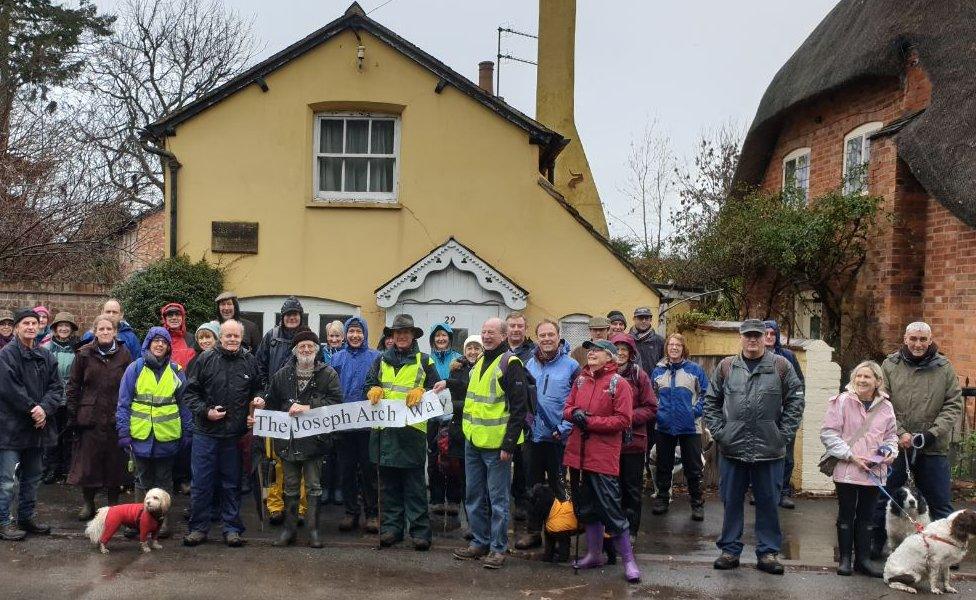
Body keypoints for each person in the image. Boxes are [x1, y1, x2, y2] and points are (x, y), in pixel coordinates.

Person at [703, 319, 804, 575]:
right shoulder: (727, 366)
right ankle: (729, 550)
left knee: (769, 501)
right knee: (731, 499)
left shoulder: (780, 366)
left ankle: (768, 552)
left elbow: (795, 400)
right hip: (732, 446)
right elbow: (711, 401)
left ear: (765, 338)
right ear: (741, 337)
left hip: (770, 449)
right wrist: (720, 432)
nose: (753, 340)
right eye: (748, 335)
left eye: (757, 336)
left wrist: (783, 434)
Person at [871, 322, 963, 557]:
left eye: (923, 339)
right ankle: (875, 544)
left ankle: (946, 551)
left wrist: (932, 433)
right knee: (886, 497)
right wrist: (900, 432)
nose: (918, 344)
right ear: (905, 339)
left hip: (933, 447)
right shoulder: (889, 365)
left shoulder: (945, 367)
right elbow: (882, 401)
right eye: (913, 339)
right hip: (896, 446)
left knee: (940, 502)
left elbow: (953, 404)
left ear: (930, 340)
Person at [253, 329, 343, 548]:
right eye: (302, 347)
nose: (306, 350)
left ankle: (313, 531)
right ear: (295, 350)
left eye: (310, 346)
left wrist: (309, 407)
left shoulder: (328, 374)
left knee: (313, 487)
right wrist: (262, 403)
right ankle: (289, 531)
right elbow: (272, 400)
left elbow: (336, 403)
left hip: (315, 441)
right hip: (288, 441)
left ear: (316, 350)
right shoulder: (282, 375)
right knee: (290, 486)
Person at [364, 314, 445, 550]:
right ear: (392, 336)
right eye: (397, 333)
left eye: (405, 333)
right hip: (385, 434)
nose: (401, 336)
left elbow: (438, 391)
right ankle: (391, 530)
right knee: (388, 487)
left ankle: (420, 532)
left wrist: (424, 391)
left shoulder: (425, 361)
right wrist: (373, 389)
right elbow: (367, 385)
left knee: (415, 487)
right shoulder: (380, 360)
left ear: (412, 336)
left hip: (412, 434)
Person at [453, 317, 529, 570]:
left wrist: (509, 445)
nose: (486, 336)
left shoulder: (510, 363)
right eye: (483, 332)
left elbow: (519, 409)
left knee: (498, 501)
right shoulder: (479, 363)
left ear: (504, 335)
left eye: (491, 332)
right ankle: (479, 542)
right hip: (473, 441)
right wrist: (447, 384)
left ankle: (497, 548)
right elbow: (470, 395)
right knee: (473, 496)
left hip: (497, 447)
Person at [562, 339, 639, 583]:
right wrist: (574, 413)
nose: (591, 353)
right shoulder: (581, 379)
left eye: (597, 350)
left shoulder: (620, 384)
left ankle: (629, 561)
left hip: (602, 457)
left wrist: (590, 422)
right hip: (578, 454)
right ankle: (594, 554)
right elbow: (567, 407)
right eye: (590, 350)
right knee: (585, 508)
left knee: (611, 510)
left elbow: (623, 420)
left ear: (611, 357)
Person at [182, 320, 262, 547]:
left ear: (241, 337)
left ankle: (232, 529)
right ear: (221, 337)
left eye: (236, 336)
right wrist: (206, 412)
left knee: (231, 484)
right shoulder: (204, 359)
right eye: (228, 335)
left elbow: (258, 387)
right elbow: (190, 394)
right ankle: (198, 528)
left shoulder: (249, 360)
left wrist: (256, 401)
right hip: (205, 433)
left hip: (234, 435)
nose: (232, 339)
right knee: (201, 483)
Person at [820, 360, 897, 577]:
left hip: (874, 471)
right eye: (859, 376)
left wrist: (888, 453)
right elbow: (828, 433)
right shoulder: (842, 401)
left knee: (867, 516)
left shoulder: (886, 406)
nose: (862, 380)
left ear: (878, 381)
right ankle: (845, 559)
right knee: (846, 514)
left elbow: (891, 436)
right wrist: (851, 456)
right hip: (847, 469)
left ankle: (862, 560)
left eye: (867, 377)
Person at [116, 327, 191, 539]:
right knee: (141, 480)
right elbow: (124, 403)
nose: (159, 345)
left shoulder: (176, 371)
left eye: (164, 342)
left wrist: (188, 431)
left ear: (168, 346)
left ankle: (162, 522)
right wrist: (123, 431)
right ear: (148, 344)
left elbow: (185, 405)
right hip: (140, 437)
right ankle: (141, 520)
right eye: (155, 341)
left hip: (167, 437)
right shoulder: (135, 369)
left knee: (164, 481)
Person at [515, 319, 577, 550]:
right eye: (542, 335)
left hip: (558, 438)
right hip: (533, 437)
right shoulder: (528, 364)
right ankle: (533, 532)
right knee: (532, 487)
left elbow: (576, 402)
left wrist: (564, 429)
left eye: (551, 334)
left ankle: (557, 532)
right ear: (536, 337)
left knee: (558, 487)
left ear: (559, 337)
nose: (547, 339)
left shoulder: (571, 366)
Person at [0, 309, 61, 541]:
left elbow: (57, 388)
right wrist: (32, 408)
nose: (30, 327)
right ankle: (3, 522)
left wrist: (44, 408)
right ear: (17, 328)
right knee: (5, 481)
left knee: (32, 477)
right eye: (26, 323)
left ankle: (26, 517)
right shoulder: (6, 355)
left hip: (37, 429)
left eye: (34, 323)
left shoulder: (45, 356)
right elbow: (8, 388)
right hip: (10, 429)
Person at [66, 315, 132, 521]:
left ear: (115, 332)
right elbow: (74, 385)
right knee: (89, 464)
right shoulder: (84, 354)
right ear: (95, 331)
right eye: (101, 329)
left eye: (108, 329)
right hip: (89, 417)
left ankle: (113, 506)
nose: (105, 332)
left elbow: (130, 385)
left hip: (115, 415)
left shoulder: (124, 354)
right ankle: (89, 504)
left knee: (114, 463)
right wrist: (73, 413)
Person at [256, 296, 308, 524]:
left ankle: (299, 509)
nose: (292, 317)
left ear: (301, 316)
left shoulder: (308, 338)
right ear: (282, 317)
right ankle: (275, 506)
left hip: (302, 409)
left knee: (302, 459)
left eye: (295, 314)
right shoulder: (271, 337)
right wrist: (264, 393)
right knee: (275, 460)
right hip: (275, 408)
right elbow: (260, 365)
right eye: (288, 314)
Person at [651, 333, 709, 520]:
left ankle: (697, 503)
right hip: (664, 426)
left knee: (693, 467)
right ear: (666, 347)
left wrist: (694, 412)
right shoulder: (658, 371)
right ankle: (662, 498)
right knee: (663, 464)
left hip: (690, 427)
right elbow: (652, 396)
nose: (674, 348)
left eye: (678, 345)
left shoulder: (694, 370)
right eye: (671, 344)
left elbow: (706, 394)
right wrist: (658, 413)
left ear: (684, 349)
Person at [330, 317, 381, 533]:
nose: (355, 336)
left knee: (369, 472)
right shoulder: (337, 358)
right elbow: (330, 388)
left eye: (359, 332)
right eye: (351, 331)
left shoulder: (376, 357)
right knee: (346, 471)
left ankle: (372, 514)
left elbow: (382, 384)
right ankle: (351, 512)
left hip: (368, 427)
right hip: (343, 426)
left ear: (365, 334)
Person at [611, 333, 657, 536]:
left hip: (632, 443)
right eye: (616, 349)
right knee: (611, 489)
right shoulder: (604, 375)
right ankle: (612, 529)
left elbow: (651, 407)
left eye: (624, 349)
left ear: (631, 353)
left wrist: (626, 417)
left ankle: (631, 532)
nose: (620, 353)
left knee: (632, 489)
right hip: (607, 442)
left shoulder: (640, 375)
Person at [443, 335, 484, 537]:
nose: (473, 352)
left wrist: (463, 404)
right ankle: (469, 523)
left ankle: (478, 525)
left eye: (477, 348)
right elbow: (452, 400)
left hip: (479, 432)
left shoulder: (484, 369)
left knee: (477, 482)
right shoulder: (457, 370)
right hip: (458, 430)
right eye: (470, 348)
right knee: (462, 480)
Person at [763, 320, 804, 510]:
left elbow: (798, 386)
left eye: (773, 334)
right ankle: (760, 492)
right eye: (766, 333)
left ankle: (783, 492)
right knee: (761, 454)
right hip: (762, 415)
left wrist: (793, 411)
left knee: (786, 456)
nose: (769, 337)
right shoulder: (755, 355)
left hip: (784, 415)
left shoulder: (788, 356)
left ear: (777, 336)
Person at [41, 312, 80, 484]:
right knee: (51, 436)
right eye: (60, 326)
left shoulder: (79, 348)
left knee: (69, 436)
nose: (64, 328)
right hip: (53, 397)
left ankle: (67, 470)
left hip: (71, 398)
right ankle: (51, 469)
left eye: (67, 326)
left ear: (71, 329)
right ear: (55, 328)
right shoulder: (47, 348)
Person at [428, 323, 462, 515]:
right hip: (432, 417)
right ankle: (436, 498)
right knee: (434, 459)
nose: (441, 339)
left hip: (452, 416)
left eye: (444, 335)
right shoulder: (428, 360)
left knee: (453, 459)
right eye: (437, 336)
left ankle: (454, 499)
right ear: (433, 339)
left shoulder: (458, 359)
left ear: (450, 337)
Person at [320, 320, 346, 505]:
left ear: (343, 337)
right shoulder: (321, 353)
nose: (334, 339)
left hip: (343, 407)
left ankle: (338, 488)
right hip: (324, 406)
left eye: (337, 335)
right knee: (325, 452)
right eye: (331, 335)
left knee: (340, 452)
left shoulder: (346, 354)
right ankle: (325, 487)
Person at [160, 303, 196, 369]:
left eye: (178, 314)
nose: (174, 318)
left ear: (182, 318)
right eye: (170, 315)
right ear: (165, 319)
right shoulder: (159, 338)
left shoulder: (191, 338)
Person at [629, 307, 665, 372]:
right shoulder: (627, 340)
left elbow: (664, 362)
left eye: (646, 318)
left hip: (653, 380)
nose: (643, 321)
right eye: (640, 318)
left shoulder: (660, 341)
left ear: (651, 320)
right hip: (632, 380)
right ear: (634, 319)